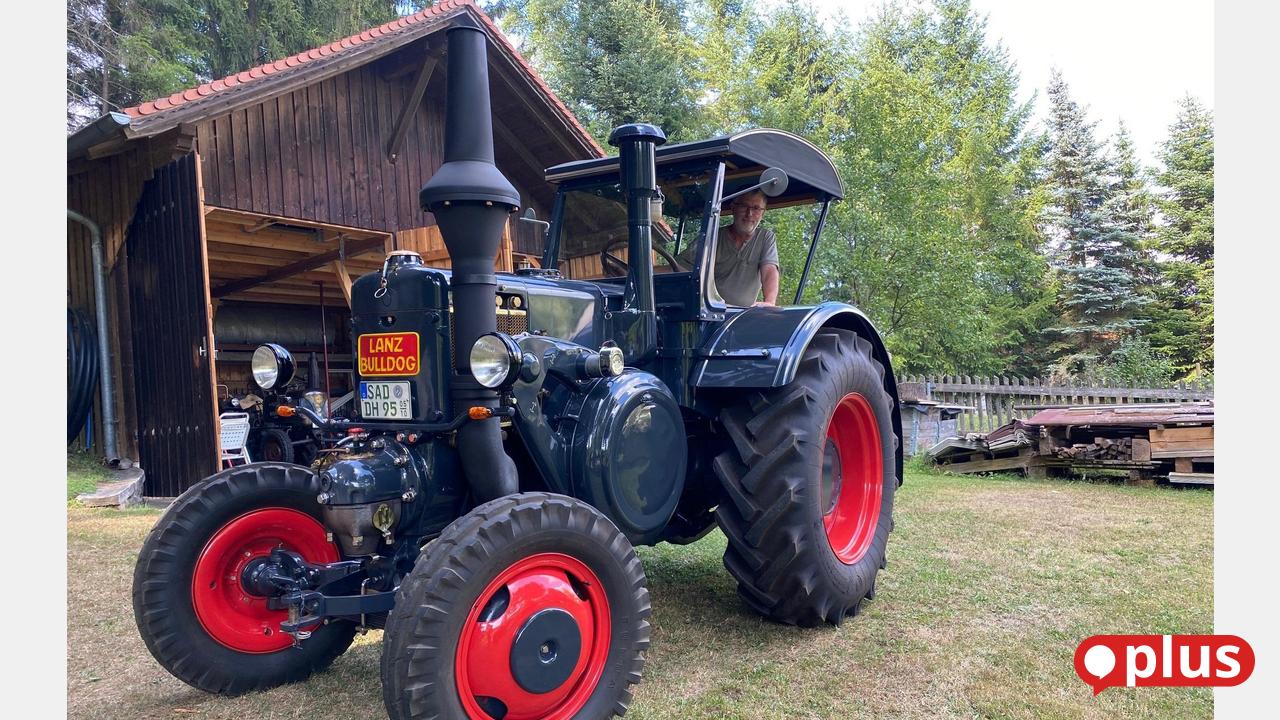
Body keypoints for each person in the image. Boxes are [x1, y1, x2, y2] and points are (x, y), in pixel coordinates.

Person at [711, 190, 779, 307]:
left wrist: (770, 302)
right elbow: (682, 266)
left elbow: (769, 270)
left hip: (740, 317)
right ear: (733, 208)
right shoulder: (713, 237)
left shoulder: (765, 237)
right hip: (708, 310)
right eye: (744, 206)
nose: (749, 214)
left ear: (763, 213)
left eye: (756, 208)